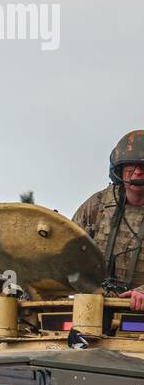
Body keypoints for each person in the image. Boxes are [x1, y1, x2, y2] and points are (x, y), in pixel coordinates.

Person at [74, 131, 144, 311]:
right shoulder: (98, 205)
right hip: (94, 306)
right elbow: (66, 245)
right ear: (119, 169)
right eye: (131, 165)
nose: (138, 171)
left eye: (143, 165)